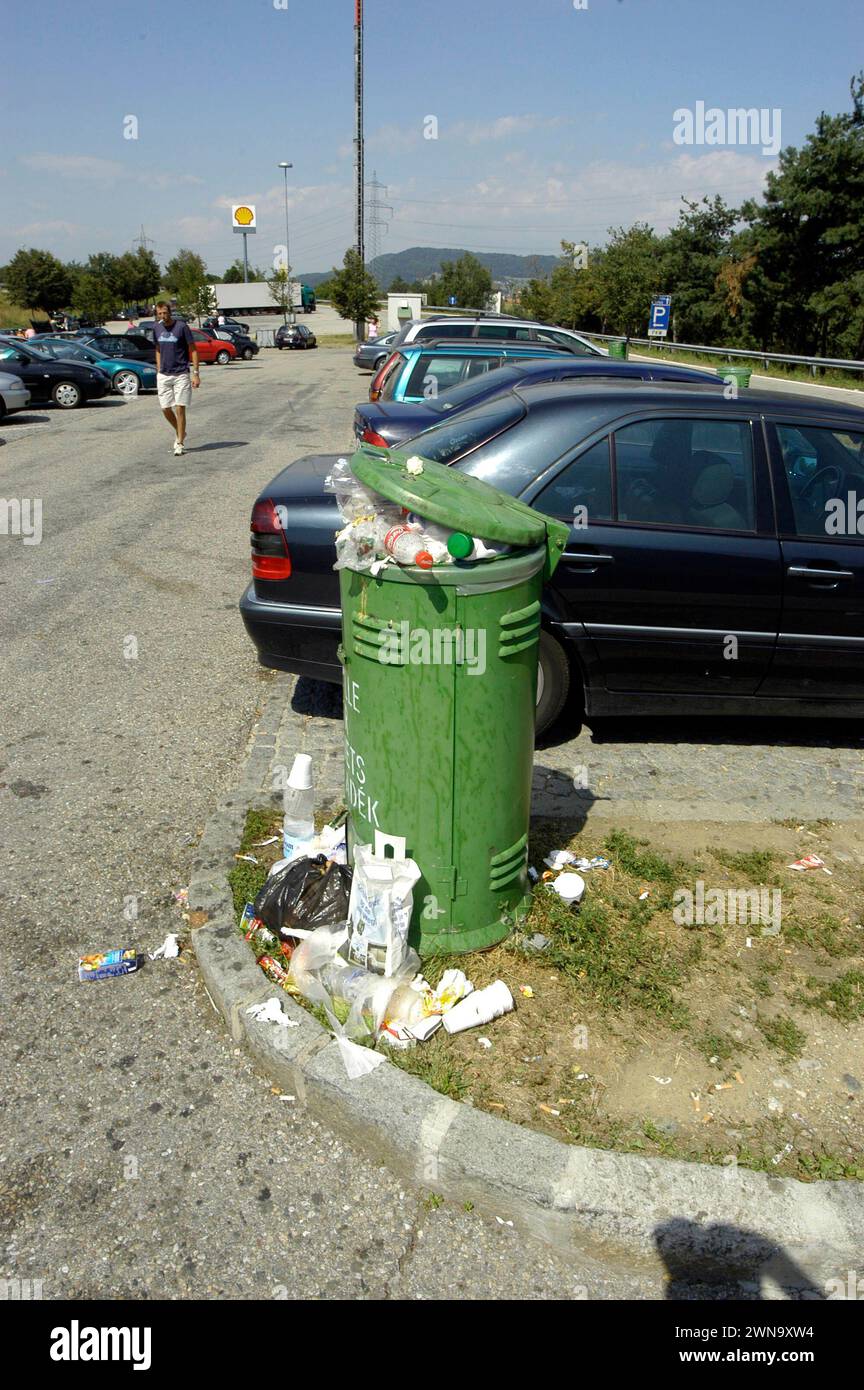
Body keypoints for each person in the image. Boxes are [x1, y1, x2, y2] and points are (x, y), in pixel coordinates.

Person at [152, 301, 199, 456]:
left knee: (180, 408)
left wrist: (196, 373)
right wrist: (158, 368)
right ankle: (181, 431)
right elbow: (157, 349)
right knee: (165, 408)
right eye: (159, 313)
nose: (162, 316)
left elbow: (193, 350)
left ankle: (179, 442)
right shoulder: (156, 328)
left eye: (165, 313)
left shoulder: (181, 327)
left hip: (181, 374)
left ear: (170, 312)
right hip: (164, 374)